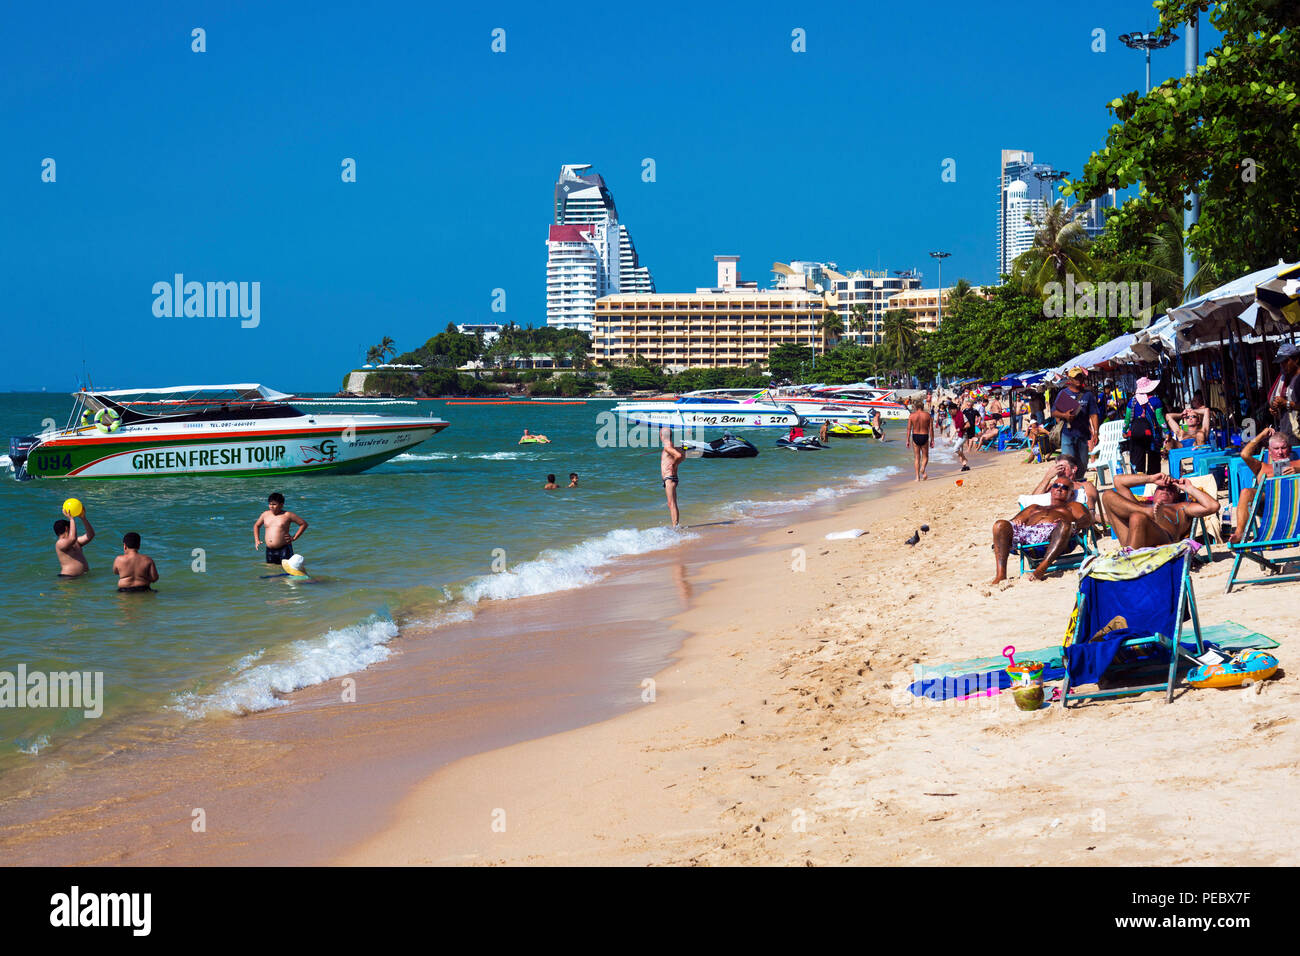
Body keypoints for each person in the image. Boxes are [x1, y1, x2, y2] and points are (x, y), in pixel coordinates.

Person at [990, 476, 1092, 583]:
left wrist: (1074, 525)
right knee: (1000, 525)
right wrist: (1015, 522)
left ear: (1071, 494)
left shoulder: (1072, 506)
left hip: (1058, 537)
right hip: (1028, 538)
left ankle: (1041, 569)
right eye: (1056, 485)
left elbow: (1087, 519)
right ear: (1051, 489)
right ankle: (1001, 575)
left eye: (1065, 487)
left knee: (1065, 524)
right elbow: (1012, 523)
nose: (1059, 488)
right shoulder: (1034, 507)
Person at [1101, 472, 1218, 549]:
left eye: (1171, 489)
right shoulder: (1140, 505)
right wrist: (1151, 478)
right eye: (1161, 487)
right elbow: (1118, 481)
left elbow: (1213, 506)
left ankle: (1129, 562)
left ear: (1177, 496)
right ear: (1154, 493)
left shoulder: (1181, 508)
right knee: (1107, 495)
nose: (1165, 490)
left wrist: (1189, 488)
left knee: (1137, 517)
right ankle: (1147, 514)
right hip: (1132, 537)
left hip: (1164, 540)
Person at [1228, 426, 1299, 543]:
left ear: (1290, 449)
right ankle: (1240, 533)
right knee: (1246, 492)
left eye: (1283, 448)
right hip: (1268, 505)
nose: (1280, 452)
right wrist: (1262, 435)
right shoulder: (1262, 467)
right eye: (1276, 449)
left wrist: (1296, 470)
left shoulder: (1297, 463)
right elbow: (1244, 454)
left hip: (1293, 505)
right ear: (1269, 452)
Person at [1052, 367, 1101, 464]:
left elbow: (1093, 414)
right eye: (1075, 378)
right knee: (1067, 463)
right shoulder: (1064, 393)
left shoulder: (1088, 395)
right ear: (1070, 380)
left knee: (1082, 464)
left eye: (1080, 377)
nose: (1078, 380)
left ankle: (1079, 478)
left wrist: (1095, 432)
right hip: (1067, 433)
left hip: (1083, 434)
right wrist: (1064, 415)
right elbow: (1054, 412)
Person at [1123, 376, 1168, 474]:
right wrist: (1167, 432)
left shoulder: (1132, 402)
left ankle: (1139, 481)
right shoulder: (1156, 401)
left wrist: (1124, 431)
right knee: (1154, 460)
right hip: (1152, 435)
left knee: (1137, 459)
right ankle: (1153, 480)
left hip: (1136, 435)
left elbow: (1127, 419)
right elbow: (1160, 419)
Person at [1031, 455, 1100, 518]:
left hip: (1071, 521)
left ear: (1074, 469)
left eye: (1062, 468)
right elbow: (1031, 501)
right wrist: (1047, 477)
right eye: (1057, 468)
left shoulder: (1085, 485)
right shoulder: (1051, 486)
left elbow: (1090, 510)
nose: (1060, 471)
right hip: (1045, 518)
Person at [253, 492, 309, 564]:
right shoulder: (265, 514)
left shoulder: (287, 515)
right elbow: (256, 525)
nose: (271, 506)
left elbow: (303, 524)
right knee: (272, 570)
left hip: (284, 549)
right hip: (269, 550)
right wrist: (257, 540)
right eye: (270, 504)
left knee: (287, 570)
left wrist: (294, 537)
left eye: (274, 504)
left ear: (281, 505)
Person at [1266, 343, 1300, 441]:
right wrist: (1277, 411)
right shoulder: (1286, 380)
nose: (1282, 365)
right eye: (1280, 363)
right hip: (1287, 435)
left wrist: (1286, 403)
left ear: (1296, 359)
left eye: (1285, 362)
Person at [54, 508, 95, 577]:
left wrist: (83, 518)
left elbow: (91, 535)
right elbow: (72, 538)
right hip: (68, 578)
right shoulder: (59, 543)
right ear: (67, 528)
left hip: (80, 578)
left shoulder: (76, 541)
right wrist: (71, 519)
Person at [660, 426, 684, 527]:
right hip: (671, 477)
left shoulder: (668, 446)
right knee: (672, 503)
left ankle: (675, 527)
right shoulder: (672, 446)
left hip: (669, 478)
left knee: (671, 504)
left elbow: (679, 456)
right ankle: (676, 525)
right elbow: (683, 454)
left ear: (661, 436)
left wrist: (674, 464)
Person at [905, 400, 933, 481]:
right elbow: (931, 428)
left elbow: (909, 429)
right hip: (924, 435)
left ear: (916, 407)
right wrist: (932, 440)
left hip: (915, 436)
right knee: (925, 456)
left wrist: (907, 440)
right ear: (923, 407)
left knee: (917, 457)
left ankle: (917, 477)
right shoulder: (927, 415)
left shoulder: (911, 416)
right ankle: (923, 468)